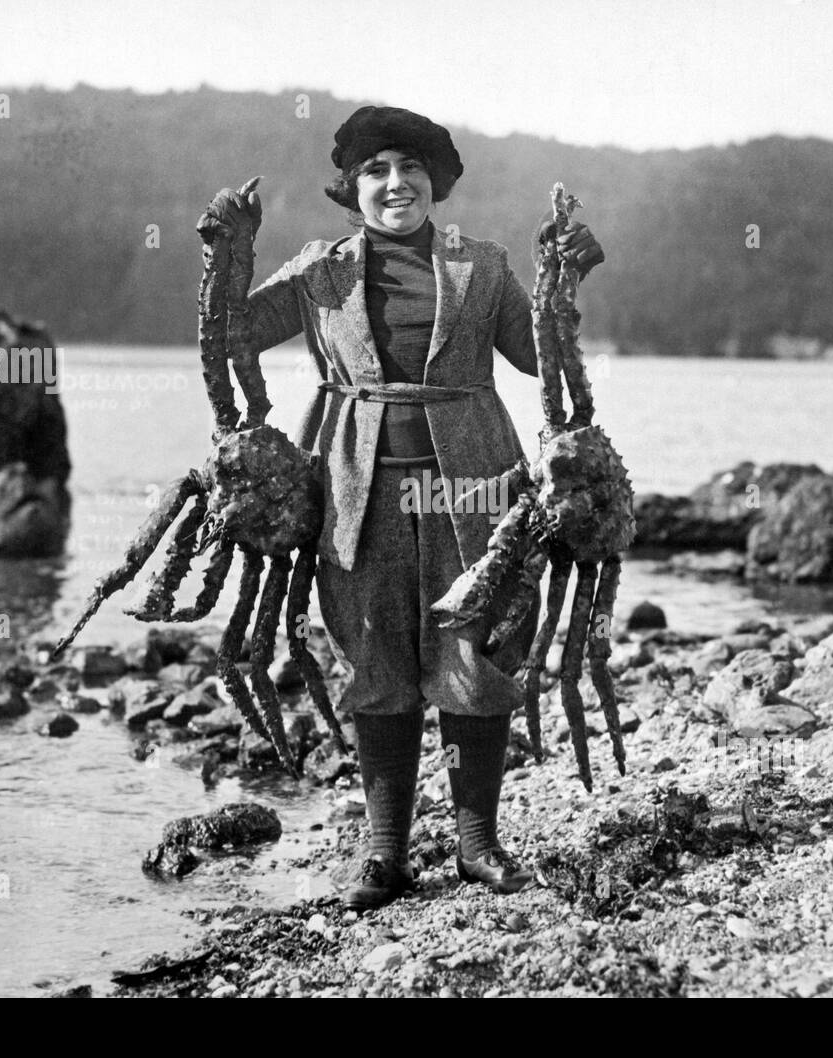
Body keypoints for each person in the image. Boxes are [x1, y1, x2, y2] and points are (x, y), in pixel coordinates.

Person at [209, 106, 603, 910]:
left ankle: (477, 845)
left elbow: (539, 356)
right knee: (374, 663)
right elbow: (232, 337)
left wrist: (564, 279)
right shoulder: (320, 272)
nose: (396, 186)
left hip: (478, 492)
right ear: (353, 189)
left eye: (411, 171)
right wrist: (230, 252)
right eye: (377, 173)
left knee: (476, 659)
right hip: (357, 497)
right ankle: (385, 855)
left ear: (435, 184)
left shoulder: (483, 267)